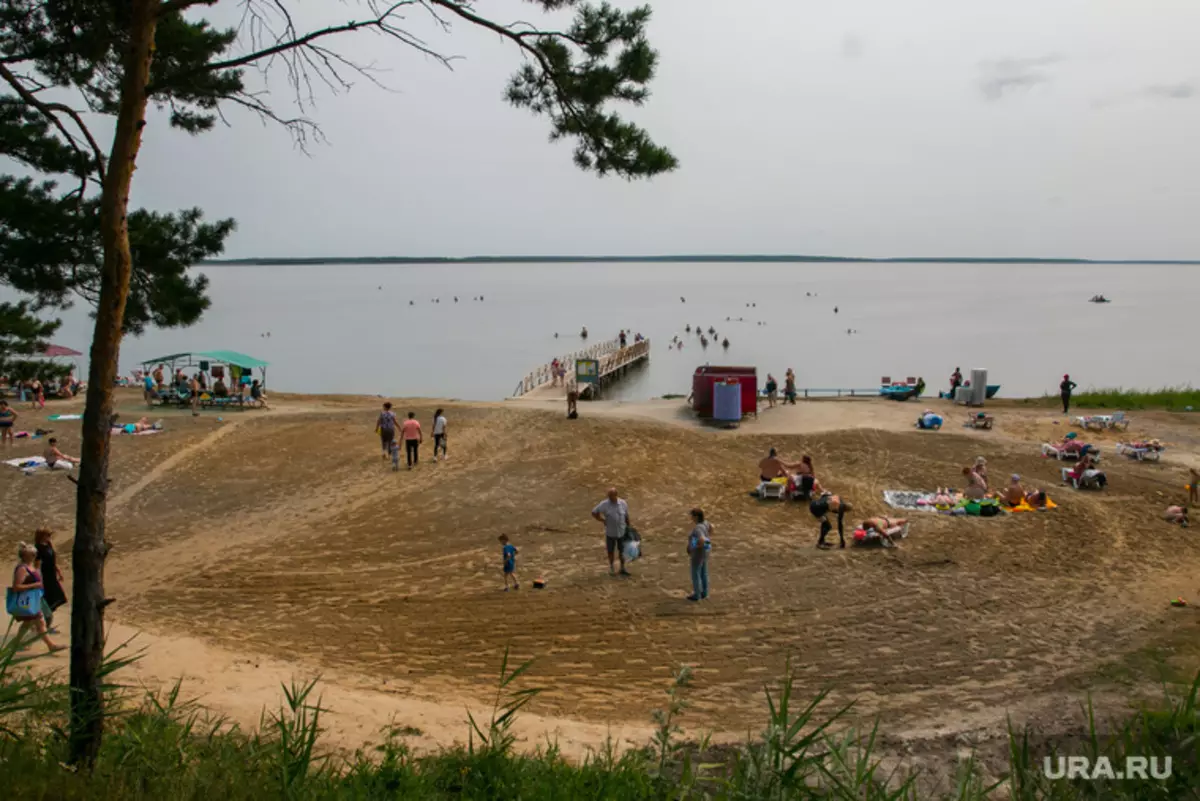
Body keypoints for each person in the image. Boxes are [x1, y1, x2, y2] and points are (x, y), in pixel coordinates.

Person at [10, 542, 64, 653]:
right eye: (32, 555)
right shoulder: (22, 569)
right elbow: (16, 587)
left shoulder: (30, 567)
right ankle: (51, 646)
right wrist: (35, 585)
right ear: (25, 556)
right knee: (40, 623)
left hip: (34, 599)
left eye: (35, 554)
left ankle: (16, 644)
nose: (35, 556)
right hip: (27, 600)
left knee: (28, 623)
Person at [591, 487, 632, 576]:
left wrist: (628, 528)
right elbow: (594, 512)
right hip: (610, 533)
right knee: (611, 551)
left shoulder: (623, 503)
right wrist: (602, 520)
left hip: (621, 532)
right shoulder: (604, 504)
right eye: (609, 496)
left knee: (622, 551)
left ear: (616, 495)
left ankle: (622, 568)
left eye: (611, 496)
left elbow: (626, 516)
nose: (610, 498)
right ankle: (612, 568)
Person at [34, 528, 66, 632]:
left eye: (49, 535)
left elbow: (53, 560)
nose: (49, 537)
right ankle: (44, 626)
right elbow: (37, 566)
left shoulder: (48, 545)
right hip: (45, 577)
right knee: (48, 600)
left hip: (52, 576)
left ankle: (42, 624)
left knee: (58, 597)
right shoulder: (38, 548)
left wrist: (59, 572)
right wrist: (39, 580)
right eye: (47, 535)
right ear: (41, 536)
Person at [686, 508, 712, 601]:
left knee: (695, 573)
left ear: (696, 517)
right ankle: (704, 592)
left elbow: (702, 540)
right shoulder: (705, 522)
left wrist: (692, 547)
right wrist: (708, 541)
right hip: (706, 551)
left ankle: (697, 595)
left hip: (698, 553)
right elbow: (711, 528)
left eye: (692, 515)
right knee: (703, 572)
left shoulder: (697, 528)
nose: (691, 517)